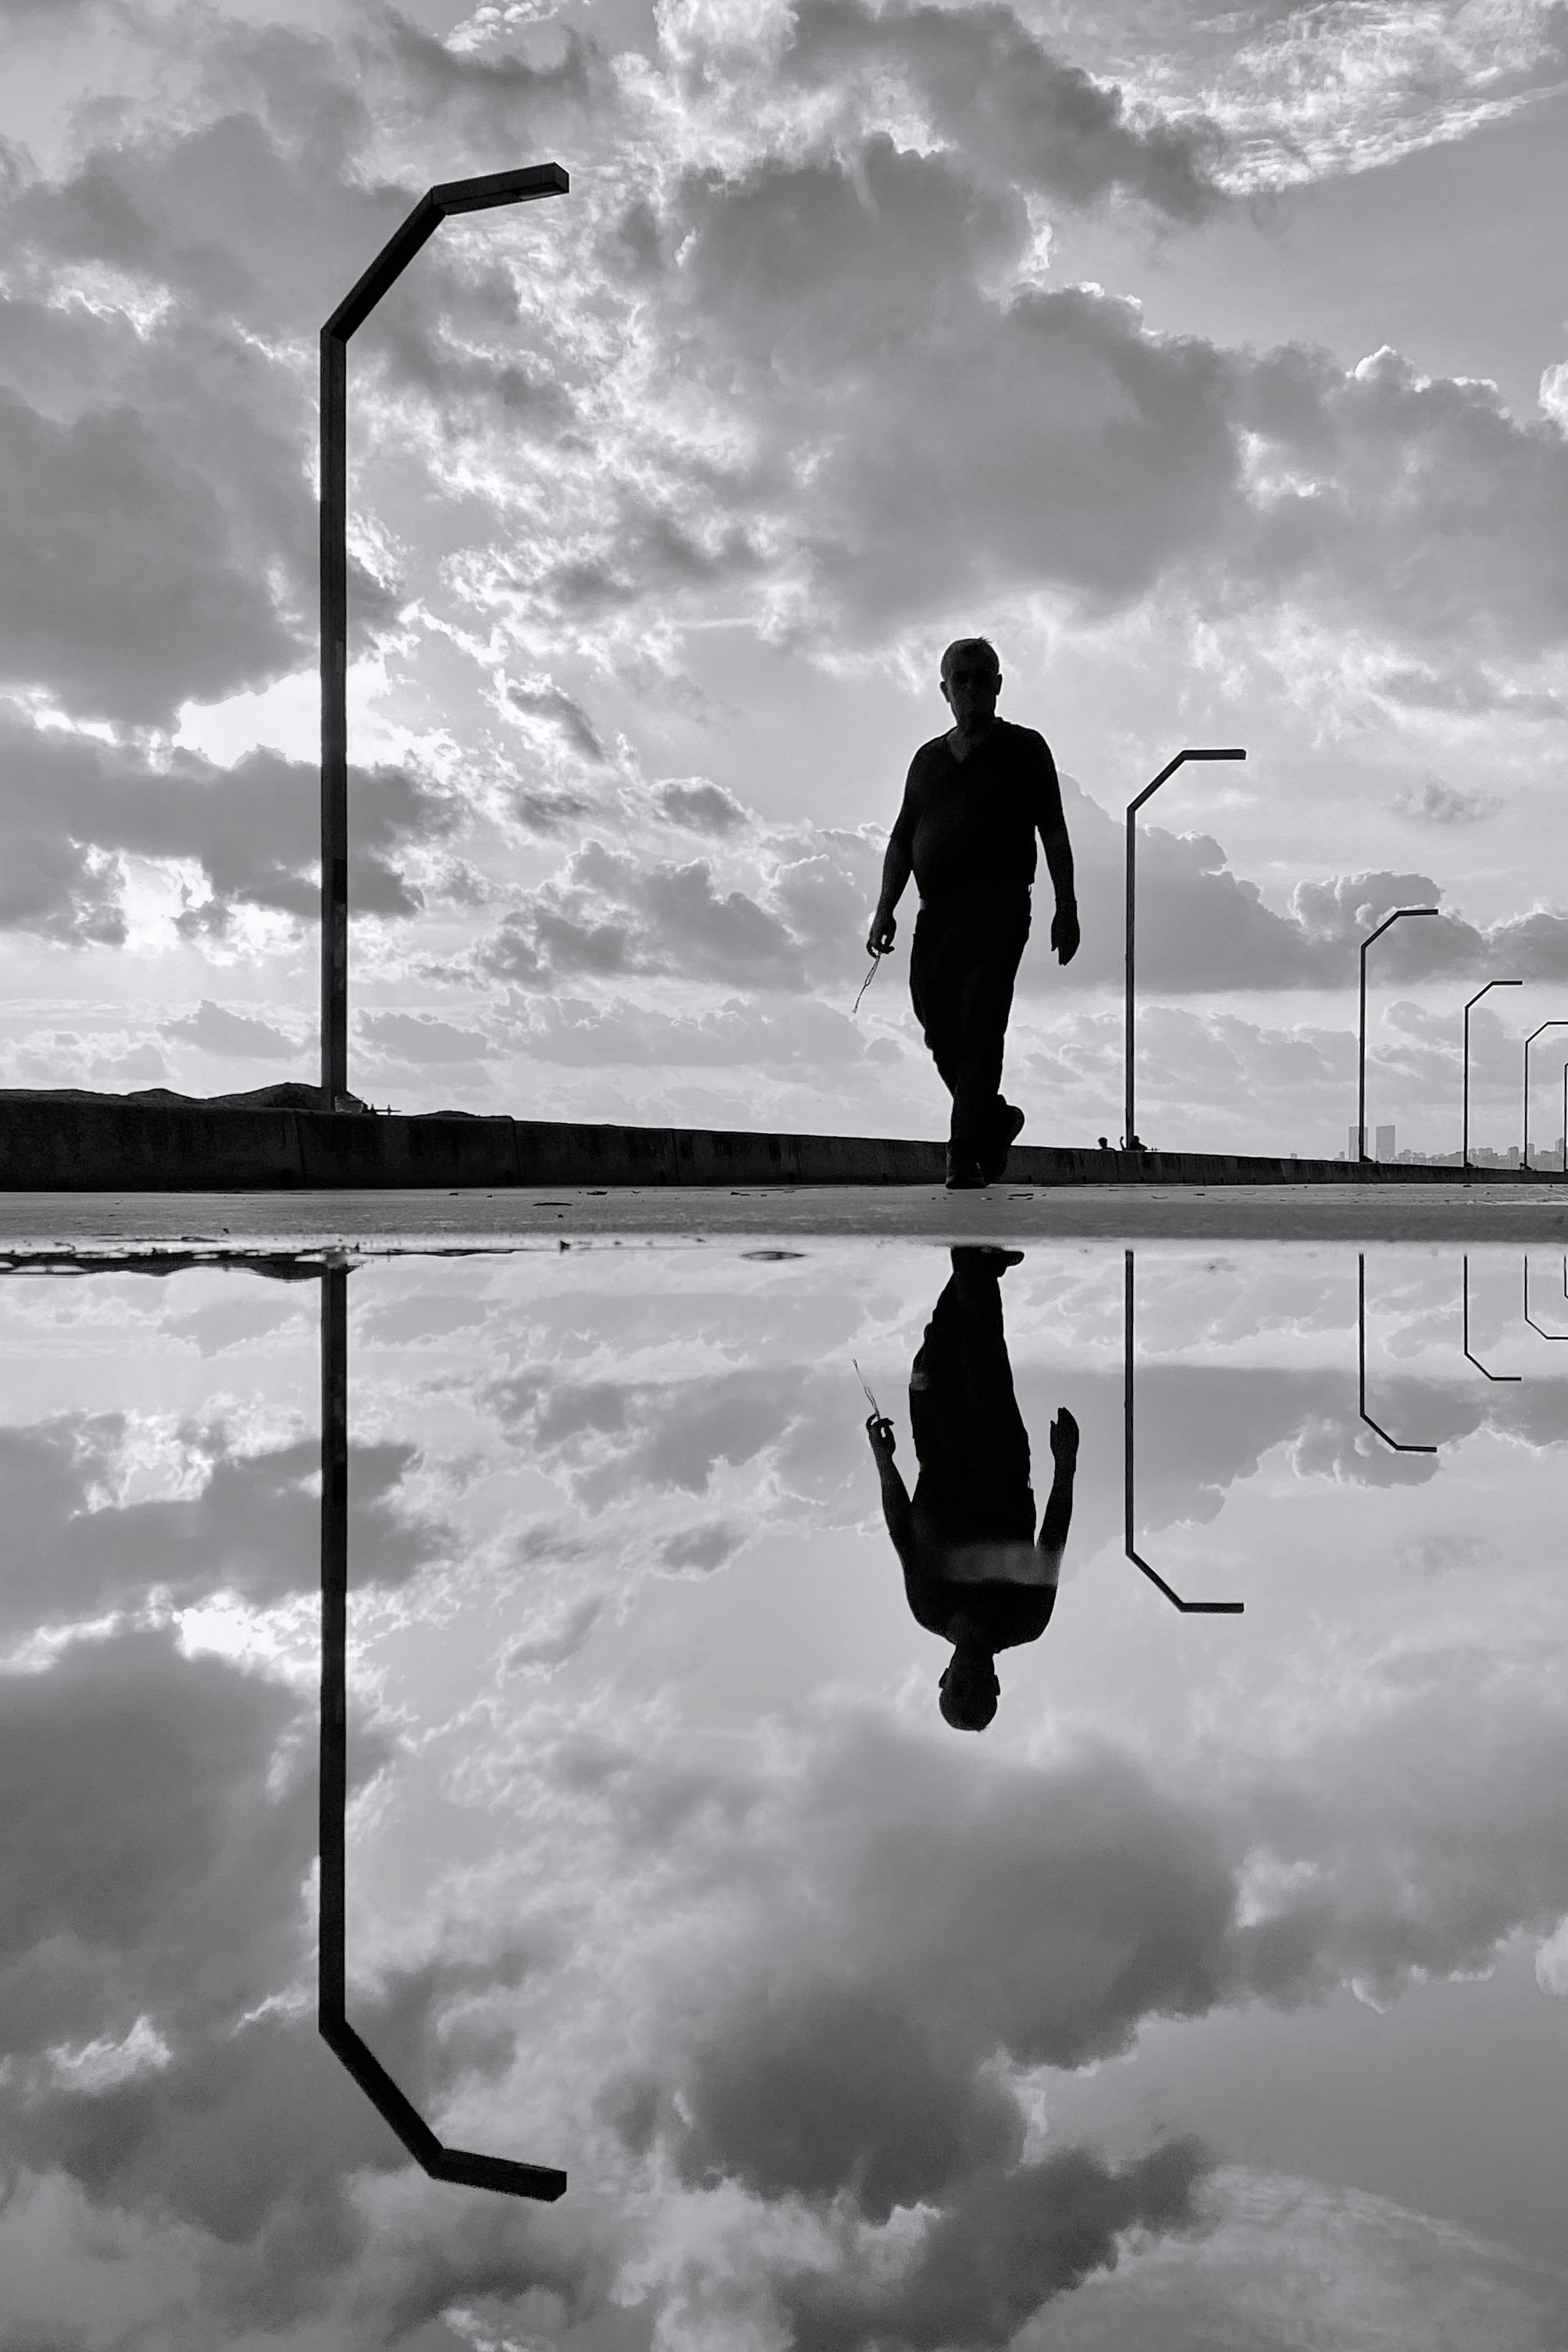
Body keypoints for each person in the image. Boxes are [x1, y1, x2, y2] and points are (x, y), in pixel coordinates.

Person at [866, 639, 1079, 1190]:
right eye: (959, 678)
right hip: (937, 911)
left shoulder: (1025, 748)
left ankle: (965, 1157)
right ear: (944, 690)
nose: (970, 686)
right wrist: (885, 907)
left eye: (981, 676)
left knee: (982, 1024)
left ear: (999, 684)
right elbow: (901, 836)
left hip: (1001, 904)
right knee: (939, 1027)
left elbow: (1052, 828)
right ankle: (994, 1121)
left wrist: (1067, 905)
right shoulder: (927, 759)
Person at [867, 1245, 1079, 1731]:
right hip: (998, 1454)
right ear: (997, 1685)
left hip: (935, 1453)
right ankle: (970, 1249)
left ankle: (979, 1265)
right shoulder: (1026, 1621)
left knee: (931, 1357)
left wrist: (884, 1462)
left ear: (942, 1678)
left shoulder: (927, 1608)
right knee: (980, 1347)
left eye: (958, 1686)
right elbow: (1053, 1539)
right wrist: (1065, 1466)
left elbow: (902, 1532)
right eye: (979, 1688)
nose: (969, 1679)